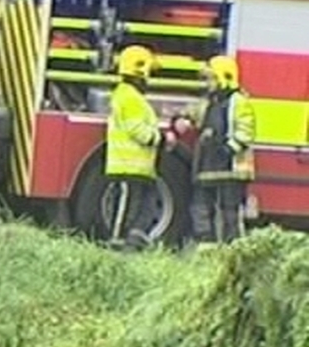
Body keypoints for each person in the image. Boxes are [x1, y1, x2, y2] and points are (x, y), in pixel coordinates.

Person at [174, 55, 256, 243]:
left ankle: (232, 246)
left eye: (211, 78)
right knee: (202, 207)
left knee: (230, 211)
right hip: (209, 167)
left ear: (224, 77)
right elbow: (194, 113)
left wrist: (229, 148)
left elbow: (246, 130)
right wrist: (182, 118)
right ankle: (207, 243)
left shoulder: (239, 102)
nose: (208, 83)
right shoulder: (209, 101)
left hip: (232, 169)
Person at [104, 44, 163, 250]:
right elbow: (137, 129)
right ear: (140, 71)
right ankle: (117, 240)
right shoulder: (130, 97)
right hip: (127, 165)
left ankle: (134, 240)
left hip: (135, 166)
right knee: (125, 205)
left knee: (139, 204)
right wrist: (158, 138)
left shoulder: (128, 95)